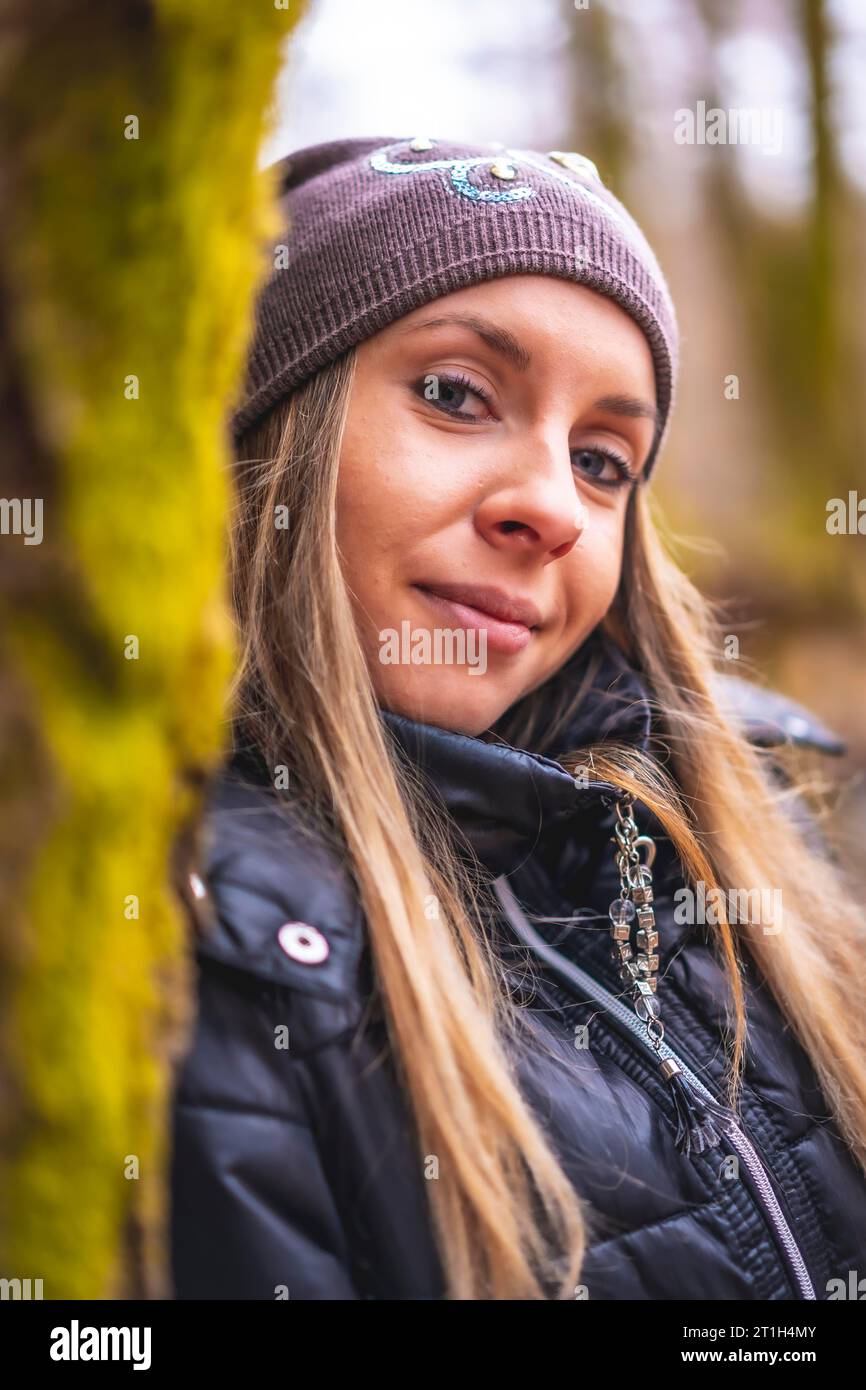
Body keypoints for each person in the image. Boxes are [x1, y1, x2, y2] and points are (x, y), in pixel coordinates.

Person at [169, 135, 866, 1301]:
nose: (550, 506)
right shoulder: (209, 938)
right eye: (454, 394)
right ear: (268, 439)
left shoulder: (759, 813)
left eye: (602, 460)